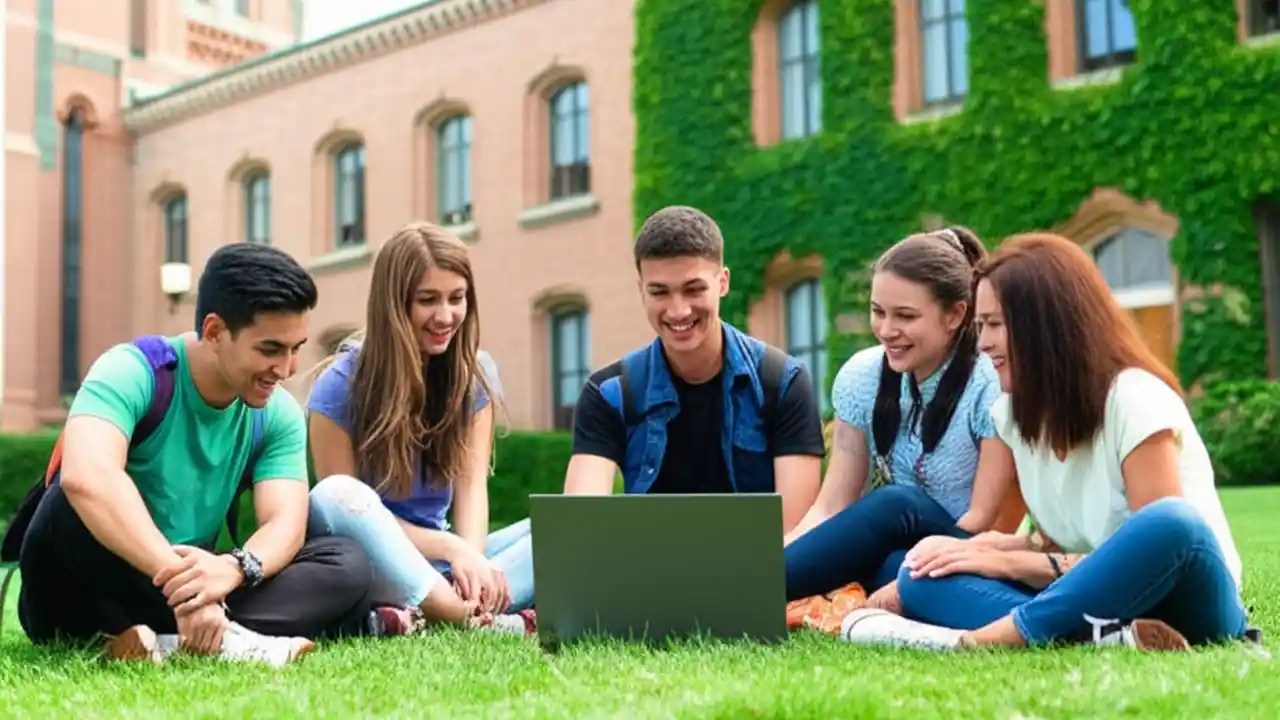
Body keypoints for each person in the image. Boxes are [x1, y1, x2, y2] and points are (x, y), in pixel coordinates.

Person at [840, 232, 1252, 651]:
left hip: (1184, 601)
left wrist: (1008, 561)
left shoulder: (1134, 399)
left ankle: (982, 640)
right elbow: (1056, 542)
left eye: (995, 325)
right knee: (922, 573)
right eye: (980, 326)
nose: (982, 343)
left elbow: (1157, 559)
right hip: (1098, 604)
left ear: (1046, 326)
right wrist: (979, 550)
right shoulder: (1015, 416)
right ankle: (1104, 638)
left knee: (1171, 521)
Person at [16, 243, 374, 667]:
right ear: (215, 330)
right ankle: (226, 636)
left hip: (196, 580)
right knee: (65, 502)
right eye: (271, 349)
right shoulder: (131, 371)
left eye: (296, 348)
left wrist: (234, 569)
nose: (286, 368)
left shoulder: (277, 413)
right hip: (92, 582)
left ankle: (163, 640)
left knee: (347, 562)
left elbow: (286, 522)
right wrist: (185, 587)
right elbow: (87, 477)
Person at [782, 228, 1025, 620]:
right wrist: (786, 550)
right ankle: (755, 582)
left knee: (898, 504)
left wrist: (933, 558)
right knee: (885, 565)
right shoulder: (862, 377)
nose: (886, 330)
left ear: (955, 315)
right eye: (878, 312)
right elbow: (833, 504)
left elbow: (984, 520)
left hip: (968, 546)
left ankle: (750, 587)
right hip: (907, 556)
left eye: (905, 316)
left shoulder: (989, 383)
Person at [306, 221, 535, 637]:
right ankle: (477, 620)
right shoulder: (338, 386)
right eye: (427, 300)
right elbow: (341, 516)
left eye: (457, 298)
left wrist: (472, 563)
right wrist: (450, 546)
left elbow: (471, 488)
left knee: (565, 529)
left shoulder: (474, 376)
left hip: (443, 563)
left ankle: (436, 612)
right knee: (334, 494)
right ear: (393, 304)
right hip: (375, 563)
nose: (445, 316)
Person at [563, 205, 826, 528]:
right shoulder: (608, 393)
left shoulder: (783, 382)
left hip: (759, 558)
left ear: (722, 283)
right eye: (659, 292)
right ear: (641, 291)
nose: (678, 311)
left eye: (693, 289)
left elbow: (795, 533)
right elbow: (581, 523)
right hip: (650, 558)